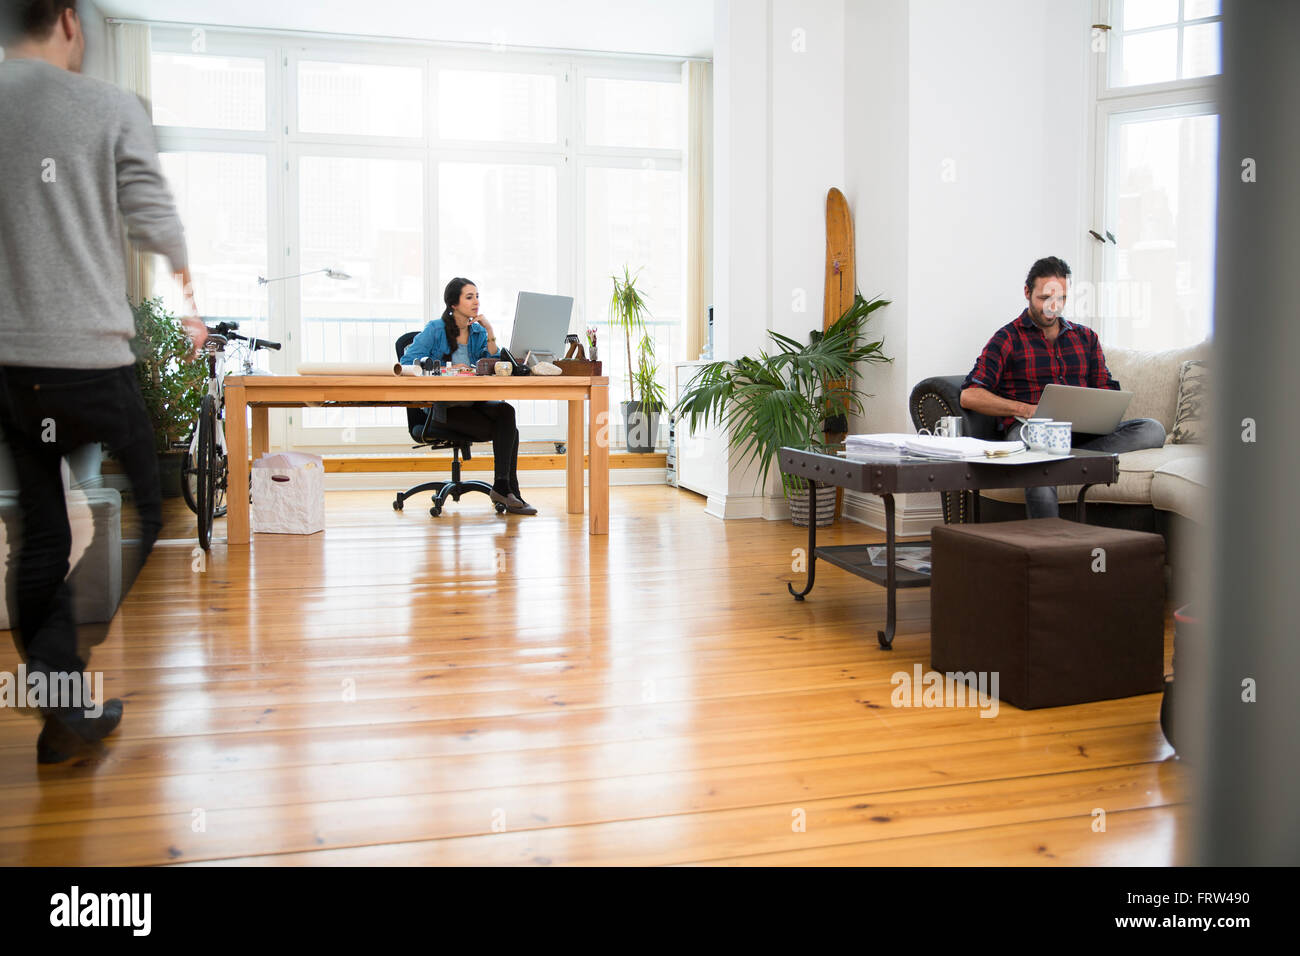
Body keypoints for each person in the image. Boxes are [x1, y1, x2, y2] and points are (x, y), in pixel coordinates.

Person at [0, 0, 205, 762]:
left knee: (42, 530)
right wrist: (191, 306)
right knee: (152, 509)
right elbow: (156, 219)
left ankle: (58, 701)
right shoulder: (107, 105)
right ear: (66, 19)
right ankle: (63, 680)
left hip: (15, 369)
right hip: (91, 358)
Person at [959, 256, 1165, 519]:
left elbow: (1105, 387)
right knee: (1037, 459)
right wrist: (1026, 409)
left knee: (1152, 429)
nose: (1052, 307)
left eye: (1061, 298)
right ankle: (1049, 545)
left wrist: (1103, 408)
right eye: (1044, 298)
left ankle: (1062, 459)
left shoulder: (1086, 338)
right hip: (1029, 431)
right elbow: (970, 395)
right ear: (1027, 292)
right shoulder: (1007, 338)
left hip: (1079, 432)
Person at [400, 278, 538, 515]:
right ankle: (508, 491)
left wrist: (490, 331)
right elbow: (406, 362)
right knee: (508, 431)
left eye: (477, 296)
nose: (476, 301)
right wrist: (448, 369)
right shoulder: (435, 329)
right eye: (469, 297)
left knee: (507, 412)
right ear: (454, 303)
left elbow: (492, 361)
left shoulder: (477, 331)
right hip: (442, 410)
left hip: (474, 403)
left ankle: (503, 488)